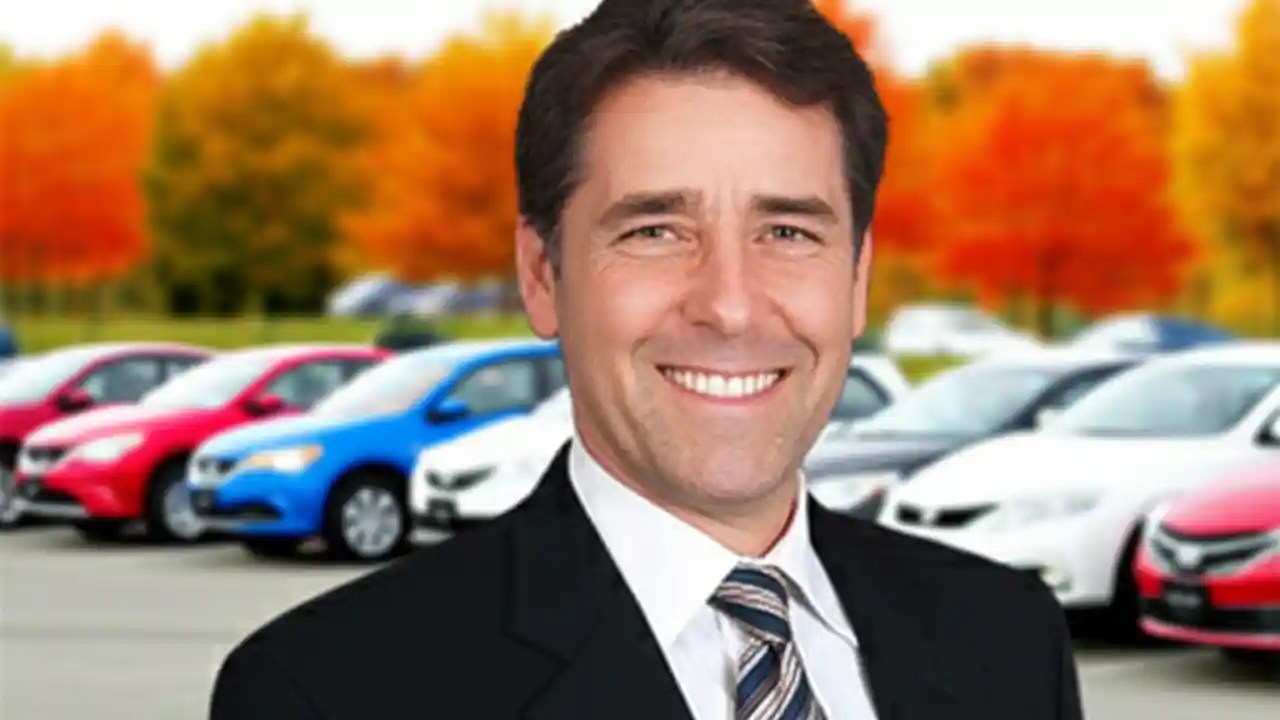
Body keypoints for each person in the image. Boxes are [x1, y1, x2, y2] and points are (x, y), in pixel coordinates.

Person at [209, 1, 1085, 717]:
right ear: (543, 274)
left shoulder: (1007, 642)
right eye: (656, 231)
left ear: (857, 277)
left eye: (787, 231)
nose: (731, 304)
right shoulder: (329, 694)